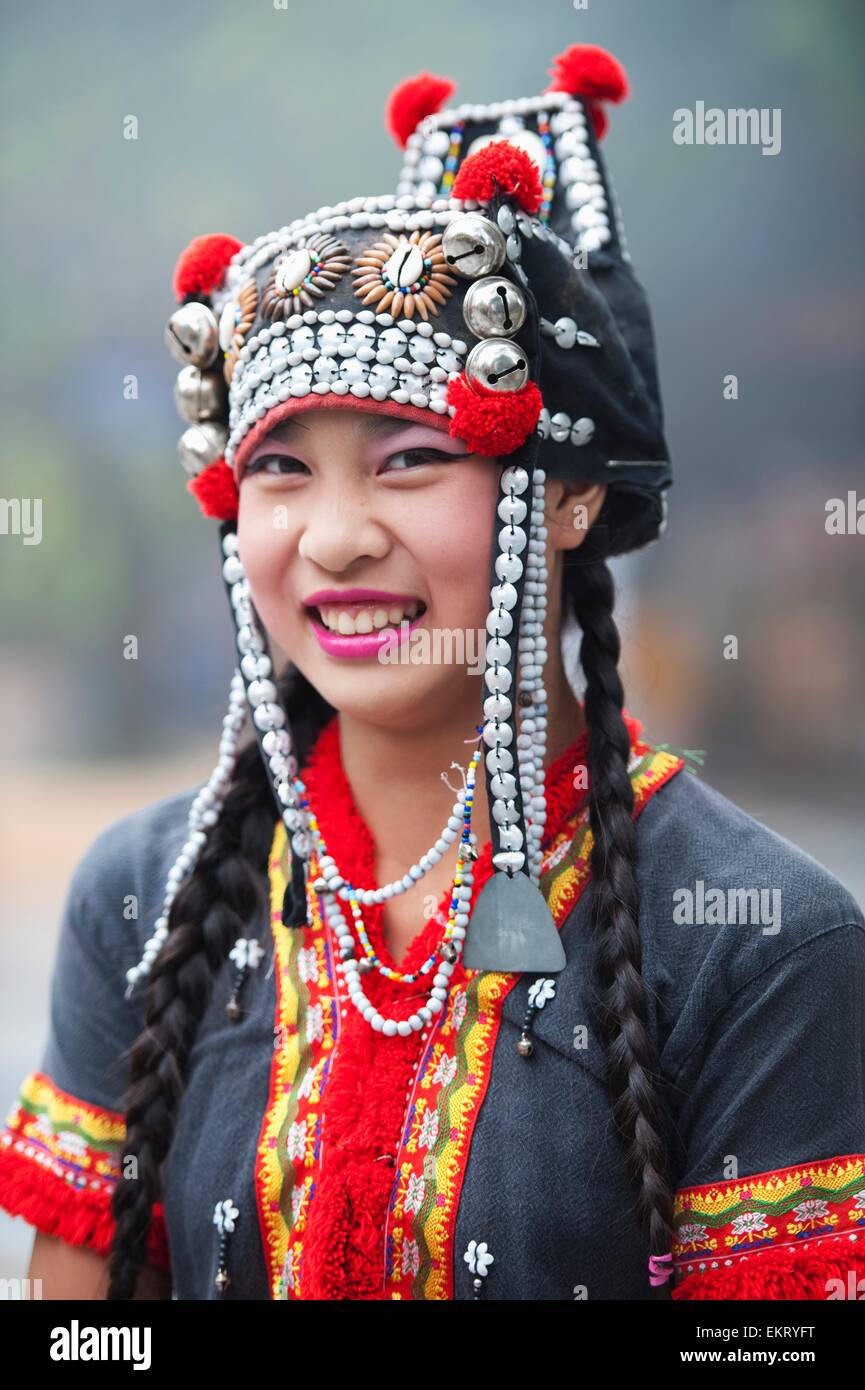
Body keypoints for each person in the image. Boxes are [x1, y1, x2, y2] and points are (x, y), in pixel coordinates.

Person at [1, 43, 863, 1303]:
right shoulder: (145, 896)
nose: (335, 536)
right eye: (281, 471)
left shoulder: (765, 945)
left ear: (569, 494)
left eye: (408, 459)